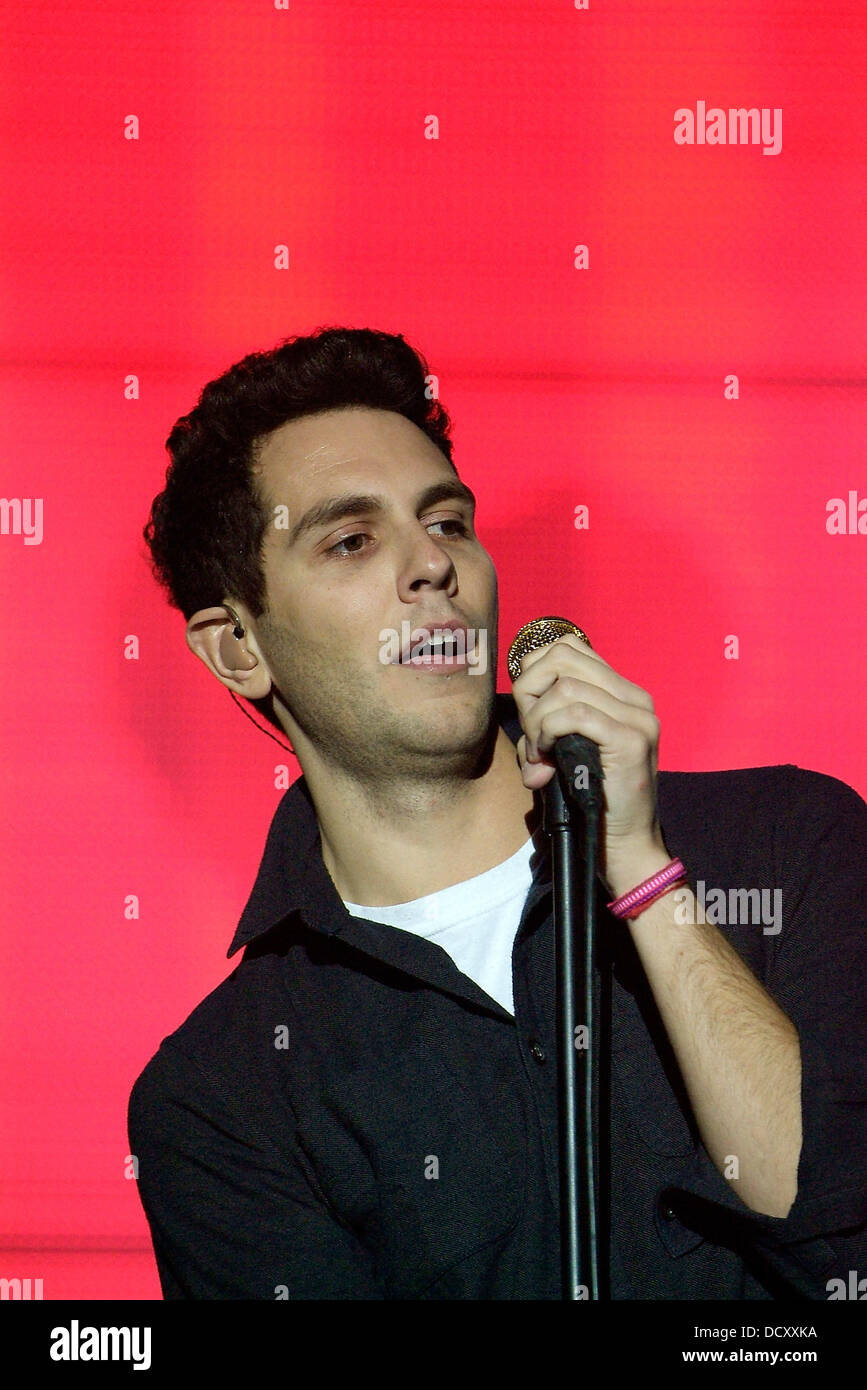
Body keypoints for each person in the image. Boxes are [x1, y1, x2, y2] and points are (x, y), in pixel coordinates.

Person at [128, 326, 867, 1300]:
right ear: (237, 649)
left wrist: (642, 872)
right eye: (351, 539)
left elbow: (844, 1254)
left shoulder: (787, 839)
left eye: (446, 522)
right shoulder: (224, 1094)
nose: (431, 566)